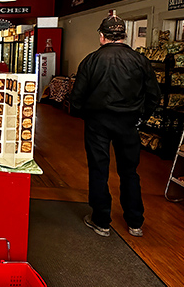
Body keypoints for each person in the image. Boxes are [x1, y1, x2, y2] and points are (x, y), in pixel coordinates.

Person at [69, 14, 161, 237]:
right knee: (129, 171)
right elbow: (154, 96)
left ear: (102, 36)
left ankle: (101, 220)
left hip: (97, 122)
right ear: (124, 36)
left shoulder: (91, 61)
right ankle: (135, 221)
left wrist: (83, 115)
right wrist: (141, 118)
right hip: (129, 123)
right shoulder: (140, 60)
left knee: (99, 169)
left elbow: (77, 97)